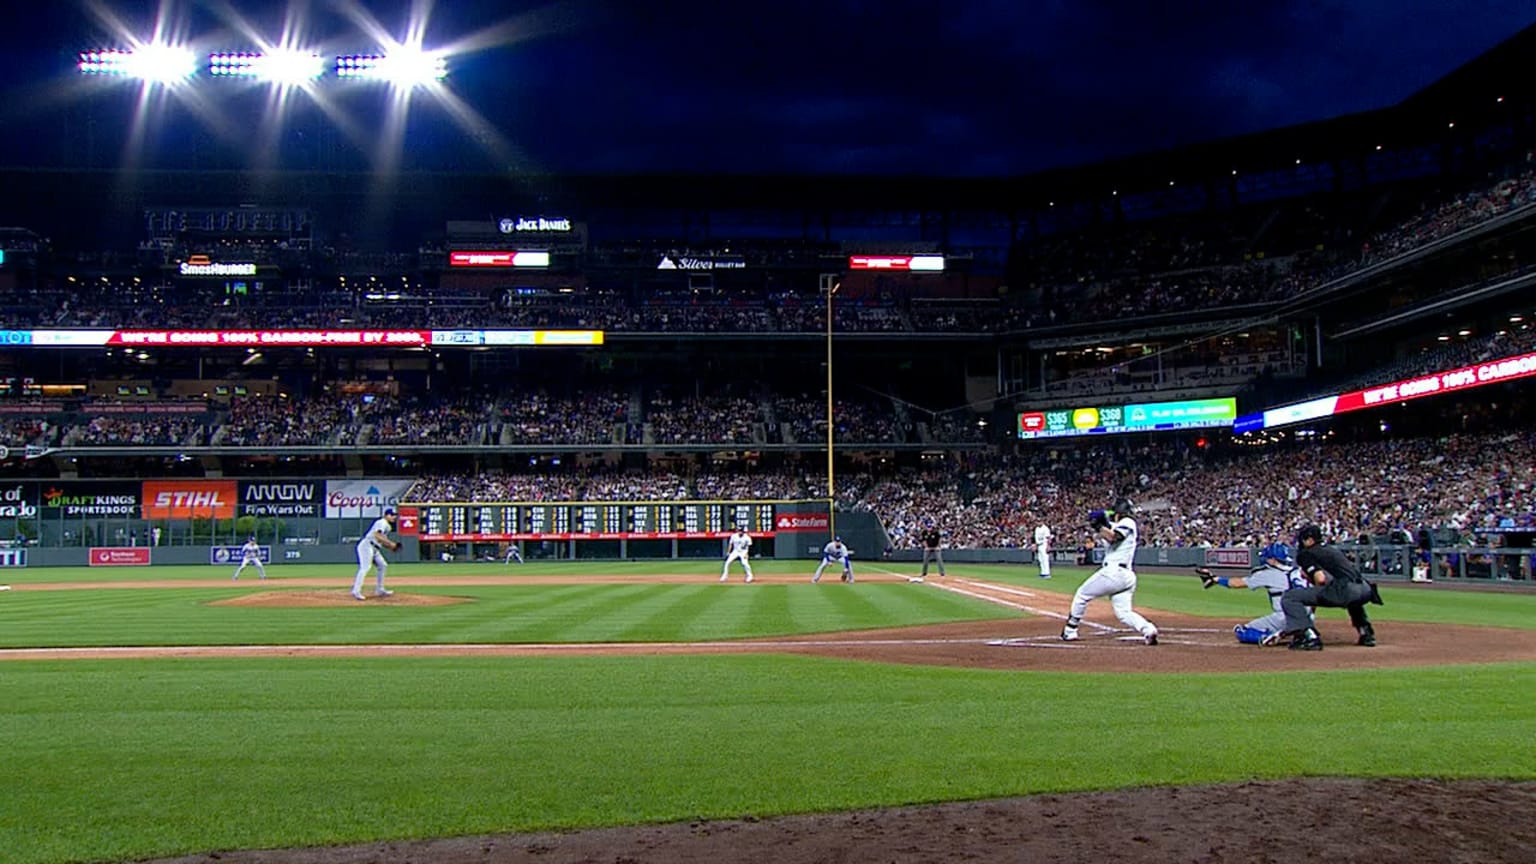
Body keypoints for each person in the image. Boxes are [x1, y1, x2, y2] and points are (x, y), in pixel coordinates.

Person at [1060, 497, 1159, 645]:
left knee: (1082, 594)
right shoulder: (1118, 524)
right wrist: (1097, 521)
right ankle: (1148, 629)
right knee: (1124, 613)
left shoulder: (1128, 522)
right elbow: (1108, 529)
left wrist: (1098, 525)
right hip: (1125, 576)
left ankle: (1070, 630)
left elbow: (1114, 537)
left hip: (1114, 573)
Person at [1270, 524, 1382, 650]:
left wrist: (1313, 605)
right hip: (1366, 589)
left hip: (1346, 590)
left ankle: (1308, 637)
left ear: (1310, 540)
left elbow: (1320, 579)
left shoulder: (1307, 553)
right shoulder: (1330, 549)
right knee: (1353, 602)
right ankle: (1366, 633)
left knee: (1290, 597)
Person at [1196, 542, 1310, 644]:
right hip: (1306, 616)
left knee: (1242, 631)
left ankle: (1270, 636)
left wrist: (1216, 579)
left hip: (1284, 616)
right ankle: (1301, 632)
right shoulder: (1299, 572)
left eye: (1268, 557)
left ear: (1274, 560)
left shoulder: (1268, 573)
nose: (1266, 559)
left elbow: (1237, 583)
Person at [352, 508, 400, 601]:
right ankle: (356, 591)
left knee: (383, 565)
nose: (394, 517)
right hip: (367, 545)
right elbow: (377, 535)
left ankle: (379, 589)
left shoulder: (388, 526)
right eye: (392, 515)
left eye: (395, 515)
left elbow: (380, 540)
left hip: (374, 548)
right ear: (386, 515)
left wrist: (391, 547)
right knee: (365, 568)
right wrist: (391, 544)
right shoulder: (381, 522)